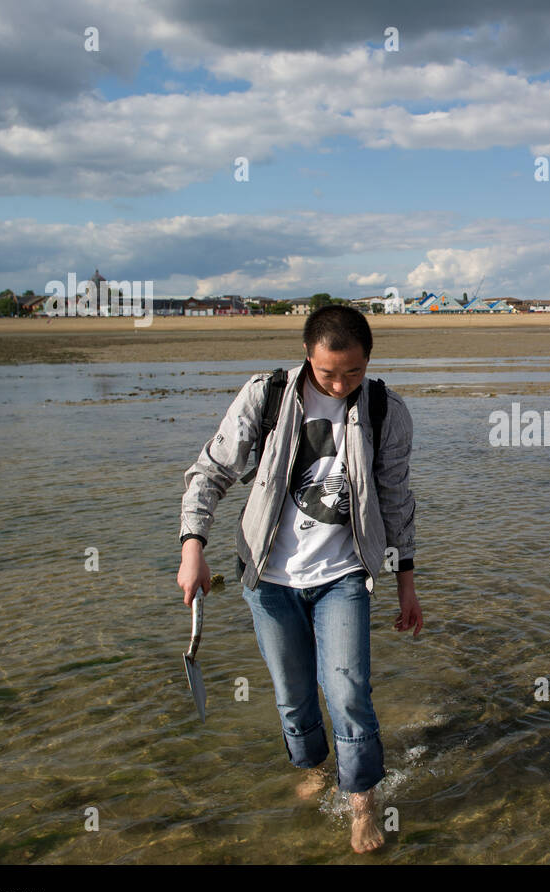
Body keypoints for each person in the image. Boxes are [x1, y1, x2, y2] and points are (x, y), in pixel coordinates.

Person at [177, 305, 422, 854]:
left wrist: (406, 579)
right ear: (307, 357)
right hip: (267, 576)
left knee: (348, 690)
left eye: (353, 372)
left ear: (369, 361)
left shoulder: (386, 410)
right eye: (328, 372)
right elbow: (210, 472)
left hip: (344, 575)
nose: (340, 385)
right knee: (292, 696)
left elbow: (397, 500)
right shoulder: (265, 397)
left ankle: (361, 799)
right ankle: (311, 764)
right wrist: (194, 546)